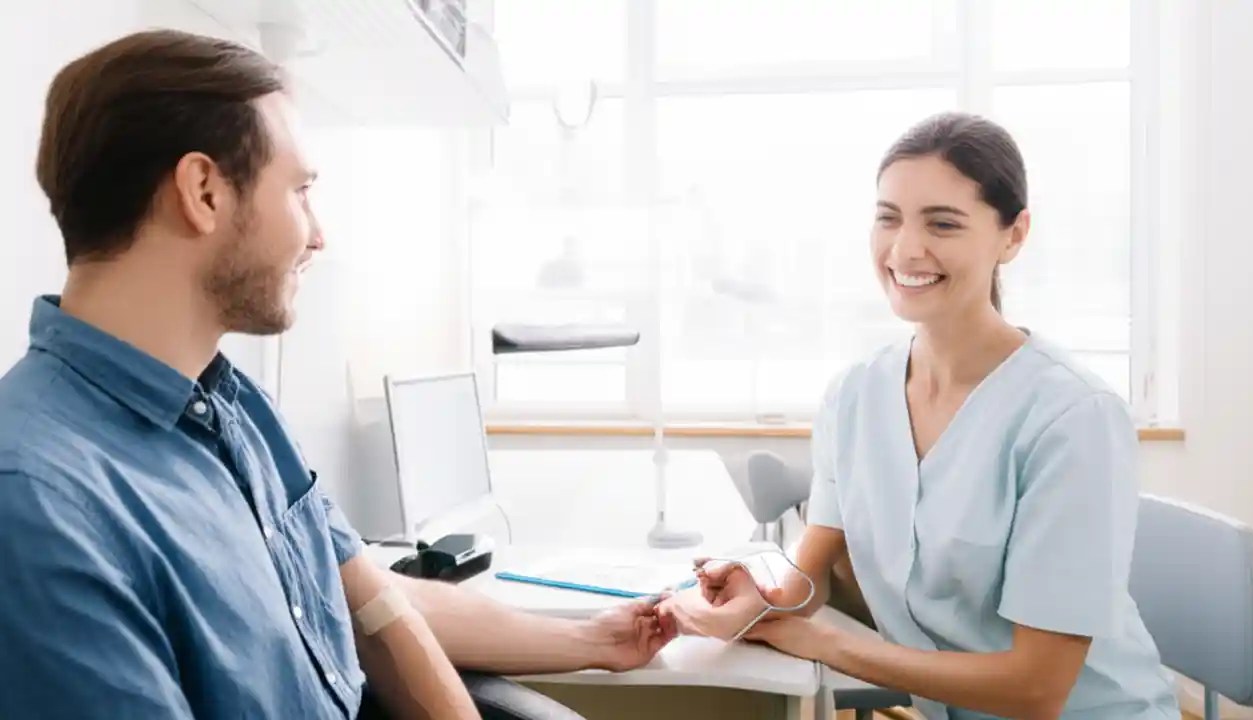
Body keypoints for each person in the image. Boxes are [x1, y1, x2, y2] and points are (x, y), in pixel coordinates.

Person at [0, 30, 674, 719]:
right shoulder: (39, 503)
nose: (318, 236)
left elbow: (375, 602)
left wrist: (588, 638)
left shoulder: (237, 408)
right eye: (300, 192)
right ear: (202, 191)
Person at [659, 112, 1181, 719]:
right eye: (888, 218)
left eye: (943, 223)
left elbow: (1036, 689)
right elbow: (810, 582)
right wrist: (761, 594)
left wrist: (827, 642)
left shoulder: (1073, 418)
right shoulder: (853, 397)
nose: (905, 249)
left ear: (1013, 236)